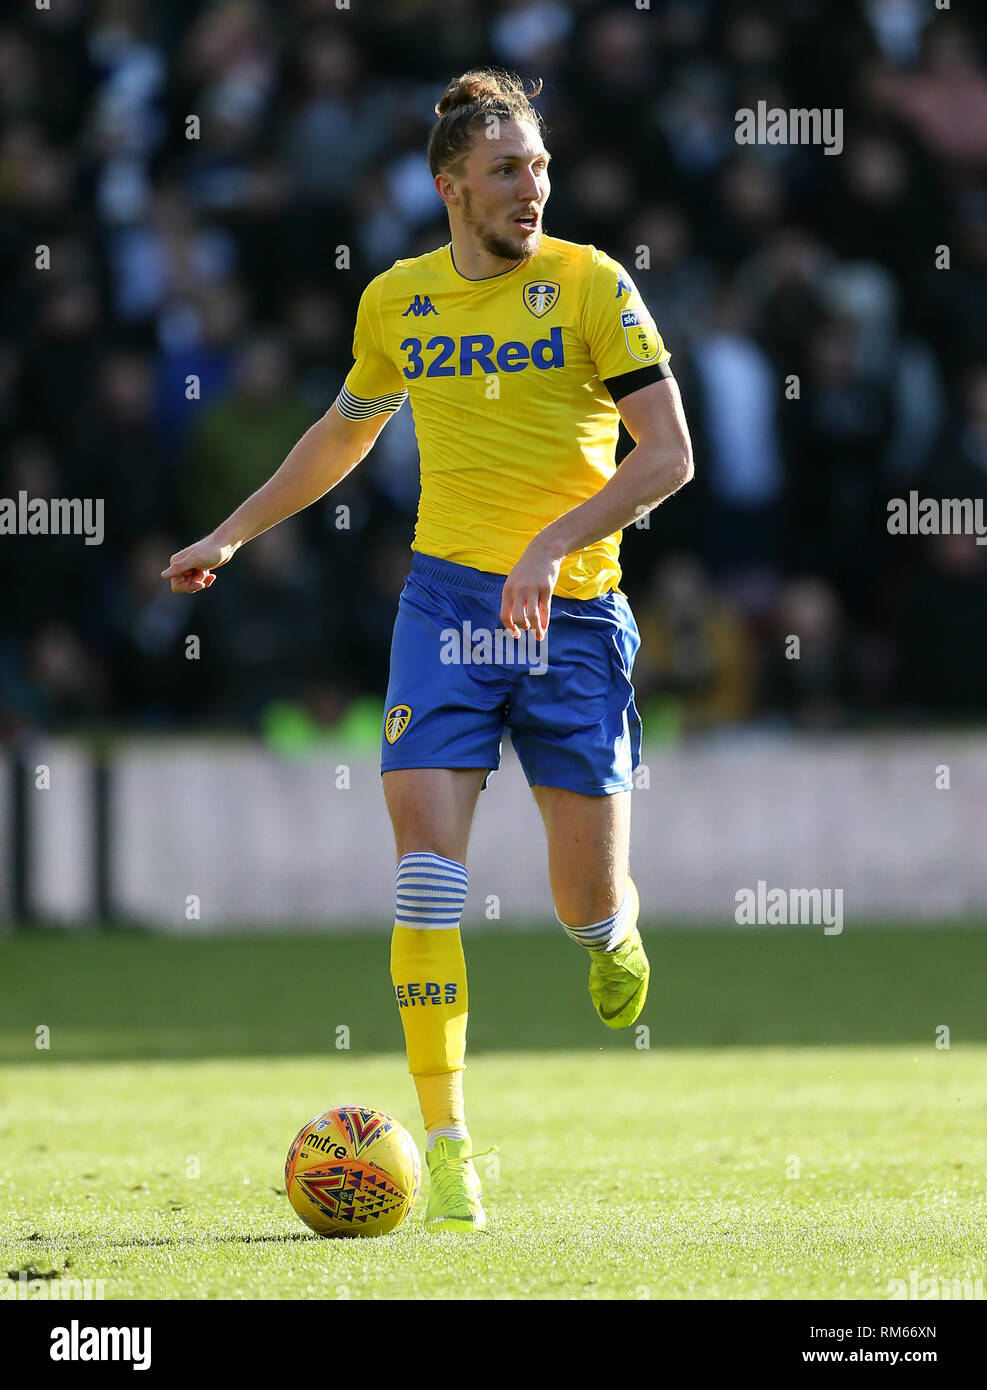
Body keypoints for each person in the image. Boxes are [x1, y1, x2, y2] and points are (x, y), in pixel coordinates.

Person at [162, 69, 694, 1233]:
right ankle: (447, 1142)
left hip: (575, 618)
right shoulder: (399, 302)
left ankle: (613, 928)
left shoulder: (595, 286)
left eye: (541, 167)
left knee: (580, 895)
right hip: (446, 608)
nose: (532, 188)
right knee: (422, 864)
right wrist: (230, 535)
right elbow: (339, 436)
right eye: (508, 170)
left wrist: (555, 545)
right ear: (451, 184)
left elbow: (667, 457)